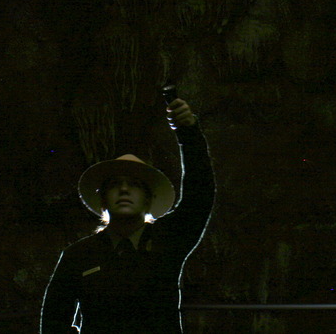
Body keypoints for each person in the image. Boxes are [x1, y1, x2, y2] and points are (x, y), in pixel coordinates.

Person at [40, 97, 214, 333]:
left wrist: (189, 132)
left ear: (149, 198)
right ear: (103, 198)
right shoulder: (79, 255)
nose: (124, 189)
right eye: (115, 184)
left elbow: (199, 193)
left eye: (134, 184)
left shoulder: (168, 240)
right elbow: (53, 320)